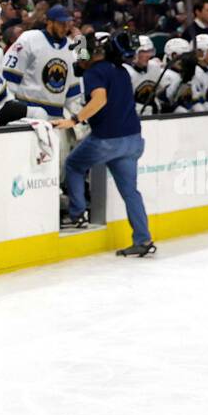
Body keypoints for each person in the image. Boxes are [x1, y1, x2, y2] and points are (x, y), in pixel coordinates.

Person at [53, 32, 155, 257]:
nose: (78, 60)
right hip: (132, 139)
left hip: (107, 140)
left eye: (80, 55)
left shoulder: (94, 72)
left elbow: (100, 99)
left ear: (88, 54)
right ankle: (143, 238)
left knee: (74, 165)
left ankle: (77, 214)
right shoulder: (121, 71)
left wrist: (74, 120)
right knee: (130, 192)